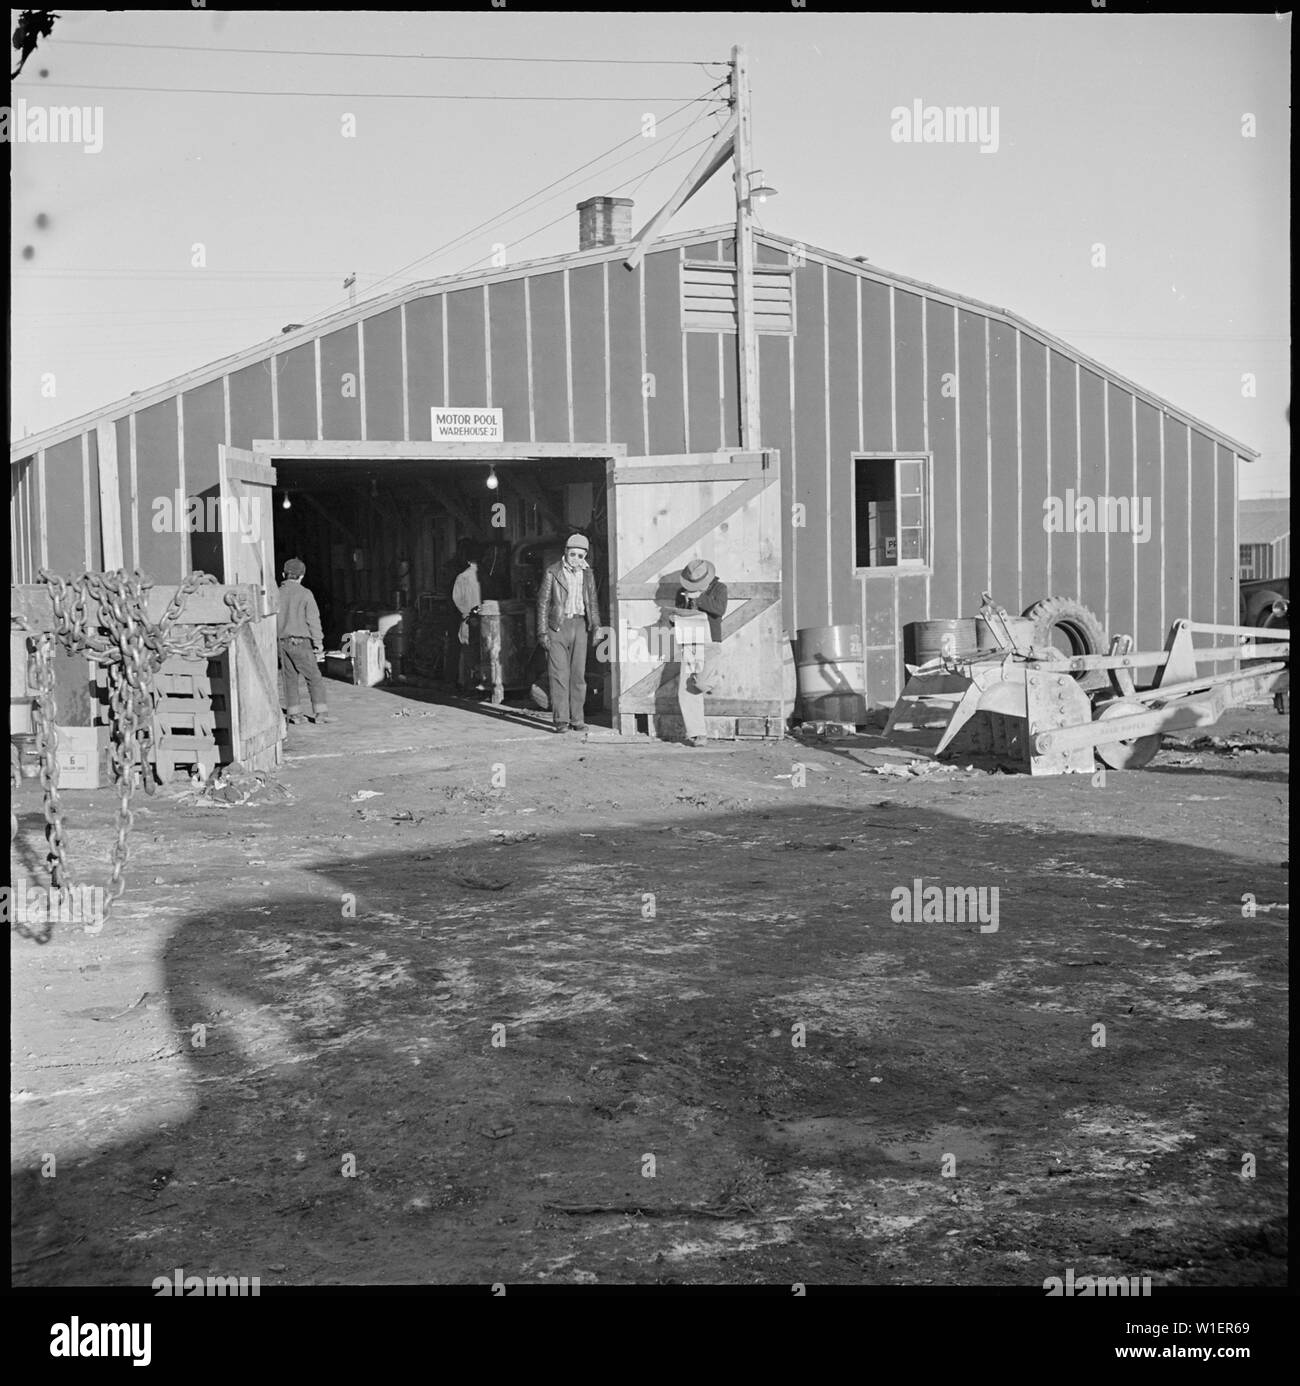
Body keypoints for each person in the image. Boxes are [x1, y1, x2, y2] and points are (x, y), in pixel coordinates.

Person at [536, 534, 601, 734]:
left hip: (580, 625)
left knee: (578, 676)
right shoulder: (552, 572)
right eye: (572, 554)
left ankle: (577, 719)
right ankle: (561, 720)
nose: (576, 559)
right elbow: (543, 603)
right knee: (559, 675)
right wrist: (542, 632)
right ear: (565, 552)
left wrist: (597, 626)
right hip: (558, 626)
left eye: (581, 556)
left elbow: (593, 602)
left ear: (585, 556)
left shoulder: (588, 574)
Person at [674, 557, 728, 747]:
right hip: (691, 640)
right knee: (688, 688)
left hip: (710, 641)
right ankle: (698, 733)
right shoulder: (681, 592)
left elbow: (719, 610)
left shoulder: (720, 588)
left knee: (702, 682)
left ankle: (712, 681)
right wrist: (675, 616)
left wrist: (700, 598)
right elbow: (679, 611)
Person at [277, 558, 330, 725]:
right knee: (314, 677)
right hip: (301, 643)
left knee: (289, 678)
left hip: (282, 643)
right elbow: (313, 620)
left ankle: (294, 715)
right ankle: (320, 714)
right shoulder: (306, 594)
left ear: (284, 574)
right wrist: (318, 642)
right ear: (302, 576)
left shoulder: (276, 593)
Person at [451, 555, 483, 695]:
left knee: (468, 651)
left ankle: (468, 685)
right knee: (481, 651)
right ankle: (479, 683)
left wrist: (467, 613)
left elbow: (456, 599)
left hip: (469, 619)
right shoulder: (485, 576)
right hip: (485, 619)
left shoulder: (462, 577)